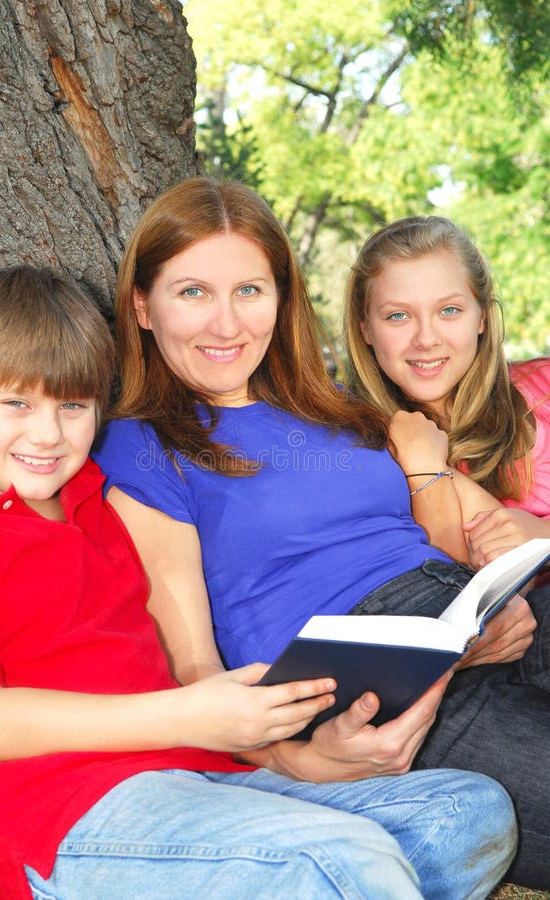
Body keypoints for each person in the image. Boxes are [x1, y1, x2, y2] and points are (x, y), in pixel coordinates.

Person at [0, 265, 517, 900]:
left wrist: (297, 759)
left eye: (73, 405)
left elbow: (192, 669)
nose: (48, 433)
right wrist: (184, 715)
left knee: (468, 810)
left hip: (207, 780)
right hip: (72, 814)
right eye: (15, 404)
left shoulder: (99, 495)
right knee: (339, 856)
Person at [92, 176, 548, 889]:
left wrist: (503, 573)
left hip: (475, 620)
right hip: (376, 687)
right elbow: (194, 671)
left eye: (249, 290)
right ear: (143, 307)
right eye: (193, 292)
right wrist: (292, 759)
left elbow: (498, 529)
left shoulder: (341, 410)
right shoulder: (144, 446)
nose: (226, 324)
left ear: (281, 299)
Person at [344, 214, 550, 571]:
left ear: (482, 317)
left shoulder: (543, 387)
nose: (426, 339)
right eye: (398, 316)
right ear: (365, 329)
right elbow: (452, 582)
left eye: (449, 310)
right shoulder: (360, 447)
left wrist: (542, 536)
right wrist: (424, 466)